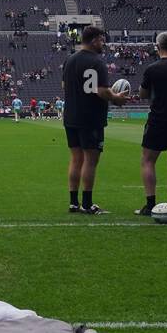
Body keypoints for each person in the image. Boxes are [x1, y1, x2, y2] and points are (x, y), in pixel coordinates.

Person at [62, 25, 129, 215]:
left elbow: (64, 85)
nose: (103, 43)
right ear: (93, 40)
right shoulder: (96, 62)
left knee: (75, 159)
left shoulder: (69, 59)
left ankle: (74, 203)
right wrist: (116, 98)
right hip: (91, 118)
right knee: (90, 161)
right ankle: (87, 203)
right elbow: (101, 91)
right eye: (101, 39)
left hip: (71, 116)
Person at [134, 32, 167, 217]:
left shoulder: (152, 69)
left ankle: (150, 204)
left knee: (148, 161)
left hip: (158, 119)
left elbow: (143, 94)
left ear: (157, 47)